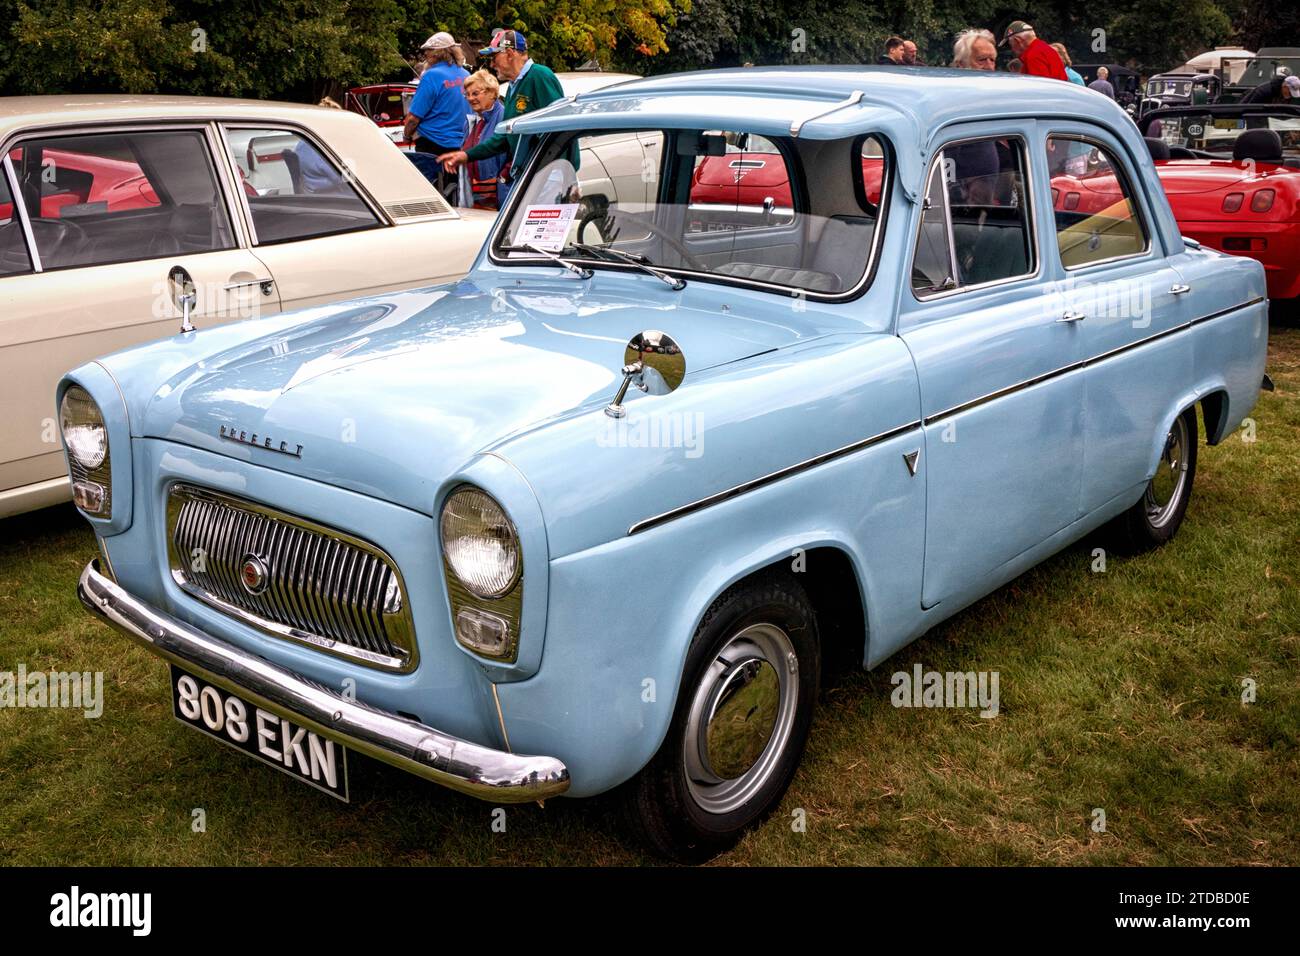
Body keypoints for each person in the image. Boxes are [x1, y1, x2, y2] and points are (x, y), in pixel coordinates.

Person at [438, 29, 566, 208]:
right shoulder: (515, 86)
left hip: (548, 174)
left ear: (510, 53)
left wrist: (562, 173)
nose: (492, 63)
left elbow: (561, 125)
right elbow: (505, 137)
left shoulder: (539, 75)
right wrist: (466, 155)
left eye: (494, 57)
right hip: (533, 175)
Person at [403, 32, 469, 202]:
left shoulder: (431, 76)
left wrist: (407, 134)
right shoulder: (465, 75)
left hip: (433, 145)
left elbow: (413, 117)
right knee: (457, 192)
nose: (425, 55)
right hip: (461, 144)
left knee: (431, 195)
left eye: (428, 51)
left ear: (437, 53)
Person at [459, 69, 506, 209]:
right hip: (475, 191)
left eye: (475, 93)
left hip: (497, 193)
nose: (470, 98)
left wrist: (502, 178)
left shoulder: (503, 116)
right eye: (466, 95)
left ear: (492, 93)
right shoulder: (472, 121)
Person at [998, 21, 1067, 80]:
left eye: (1010, 45)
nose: (1012, 49)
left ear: (1017, 41)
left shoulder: (1033, 56)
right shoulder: (1045, 49)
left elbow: (1037, 90)